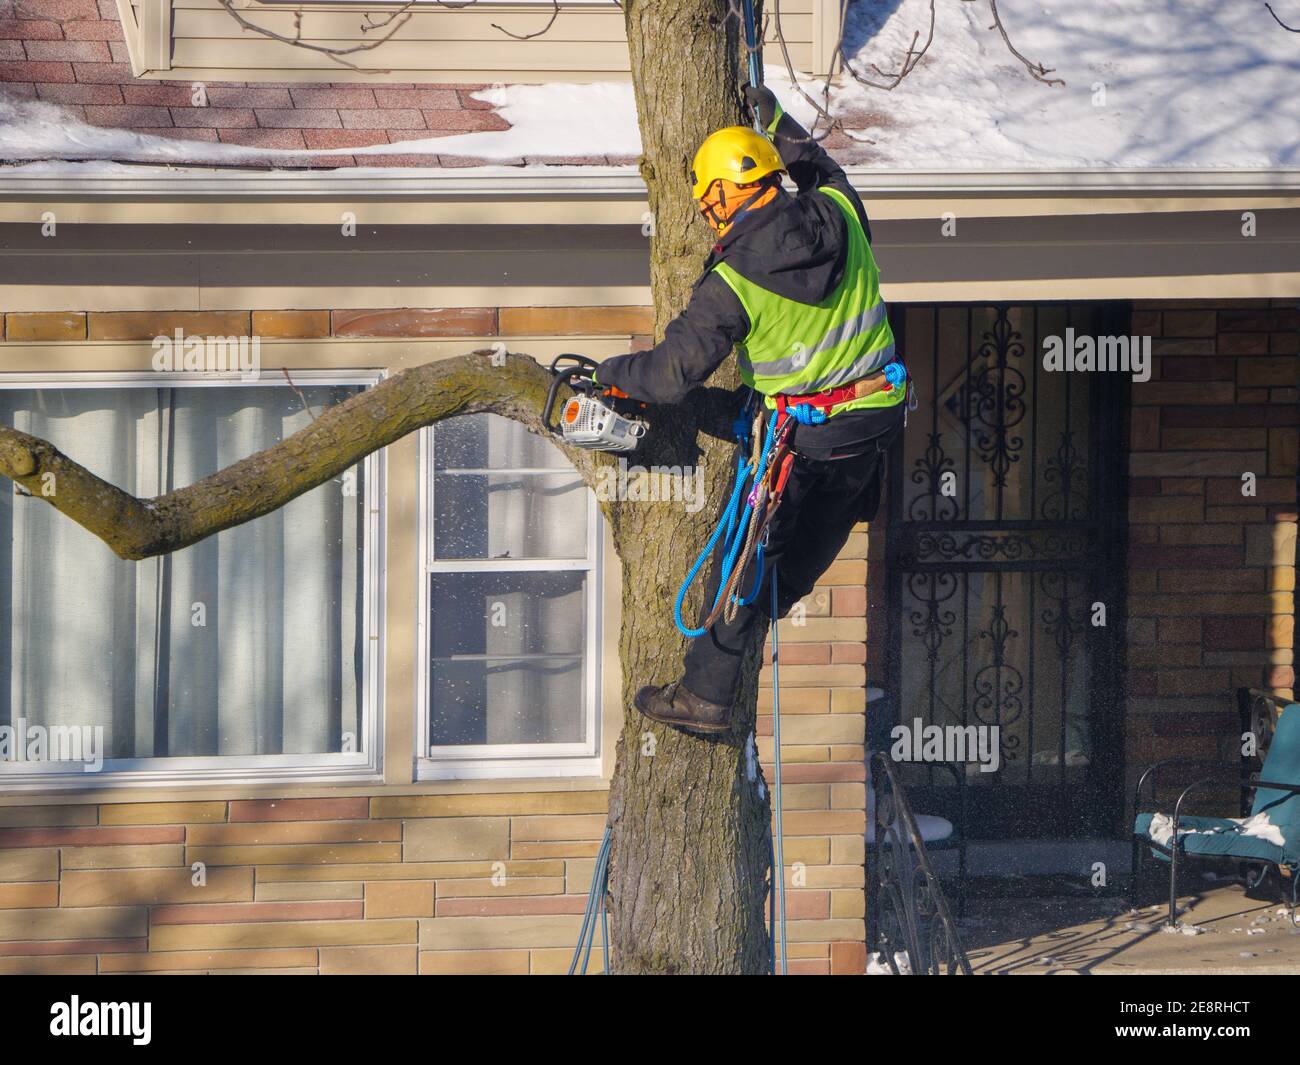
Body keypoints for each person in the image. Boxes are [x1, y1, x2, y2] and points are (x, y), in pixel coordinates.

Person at [592, 84, 907, 734]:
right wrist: (776, 119)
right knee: (790, 565)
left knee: (745, 557)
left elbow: (670, 376)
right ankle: (763, 613)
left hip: (801, 445)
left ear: (717, 200)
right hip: (869, 435)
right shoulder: (842, 215)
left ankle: (705, 696)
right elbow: (824, 168)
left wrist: (609, 374)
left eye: (709, 201)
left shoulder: (729, 284)